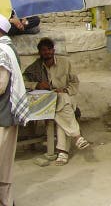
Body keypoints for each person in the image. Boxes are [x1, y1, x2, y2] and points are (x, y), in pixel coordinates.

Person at [23, 37, 89, 165]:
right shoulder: (35, 66)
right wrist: (36, 84)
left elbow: (74, 82)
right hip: (48, 102)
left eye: (49, 50)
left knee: (61, 100)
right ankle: (72, 141)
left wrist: (65, 90)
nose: (47, 53)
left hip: (66, 97)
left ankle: (64, 150)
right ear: (40, 52)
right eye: (43, 50)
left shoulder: (65, 63)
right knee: (62, 112)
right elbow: (23, 80)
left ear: (53, 50)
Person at [0, 14, 28, 206]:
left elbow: (0, 85)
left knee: (3, 162)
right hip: (5, 114)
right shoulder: (8, 48)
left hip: (3, 115)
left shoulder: (3, 52)